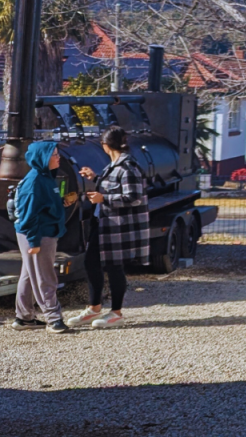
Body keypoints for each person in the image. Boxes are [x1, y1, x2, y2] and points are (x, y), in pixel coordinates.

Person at [75, 125, 148, 329]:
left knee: (115, 267)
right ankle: (94, 308)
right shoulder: (116, 164)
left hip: (117, 226)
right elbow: (116, 187)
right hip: (104, 222)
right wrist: (95, 178)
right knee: (91, 262)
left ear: (105, 145)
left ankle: (116, 312)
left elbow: (134, 197)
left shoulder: (128, 167)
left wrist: (103, 198)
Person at [9, 142, 71, 333]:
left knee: (29, 275)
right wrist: (34, 242)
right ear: (42, 158)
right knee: (45, 276)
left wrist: (62, 202)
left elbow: (42, 206)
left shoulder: (46, 177)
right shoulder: (34, 182)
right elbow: (28, 217)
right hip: (38, 235)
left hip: (42, 233)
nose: (58, 157)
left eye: (58, 154)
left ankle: (24, 318)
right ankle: (53, 318)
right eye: (54, 155)